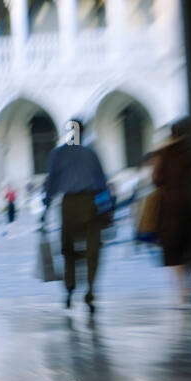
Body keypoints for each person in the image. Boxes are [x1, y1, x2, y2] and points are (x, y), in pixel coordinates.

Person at [43, 118, 108, 314]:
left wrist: (45, 208)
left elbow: (51, 183)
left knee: (68, 249)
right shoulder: (90, 154)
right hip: (89, 204)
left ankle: (70, 290)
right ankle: (90, 292)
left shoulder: (58, 154)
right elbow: (102, 183)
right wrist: (106, 209)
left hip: (68, 205)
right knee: (93, 249)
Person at [152, 117, 191, 307]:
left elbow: (156, 178)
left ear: (172, 133)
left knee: (173, 249)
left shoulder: (165, 152)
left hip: (170, 207)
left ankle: (182, 293)